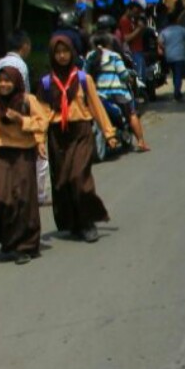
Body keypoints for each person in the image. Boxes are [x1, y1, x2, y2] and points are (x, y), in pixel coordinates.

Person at [38, 30, 117, 243]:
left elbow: (96, 106)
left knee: (79, 178)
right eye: (58, 52)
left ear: (72, 53)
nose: (62, 56)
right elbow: (43, 112)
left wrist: (109, 133)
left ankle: (89, 222)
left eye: (65, 51)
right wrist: (39, 140)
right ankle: (73, 222)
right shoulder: (46, 82)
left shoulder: (83, 79)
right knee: (62, 181)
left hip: (81, 132)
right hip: (57, 136)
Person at [0, 57, 50, 265]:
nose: (4, 85)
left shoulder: (27, 100)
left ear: (16, 81)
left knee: (23, 199)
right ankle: (8, 238)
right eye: (0, 81)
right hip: (0, 153)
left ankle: (25, 246)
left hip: (23, 152)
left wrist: (21, 120)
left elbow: (42, 122)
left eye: (8, 81)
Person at [90, 33, 150, 152]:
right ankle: (141, 142)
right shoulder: (114, 56)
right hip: (116, 93)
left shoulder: (90, 56)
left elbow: (84, 73)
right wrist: (129, 78)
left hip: (96, 94)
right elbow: (123, 75)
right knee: (131, 113)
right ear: (109, 44)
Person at [160, 19, 185, 103]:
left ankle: (177, 90)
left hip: (169, 56)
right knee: (178, 74)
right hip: (180, 55)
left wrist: (165, 48)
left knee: (175, 74)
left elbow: (160, 42)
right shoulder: (182, 29)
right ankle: (177, 92)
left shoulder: (164, 31)